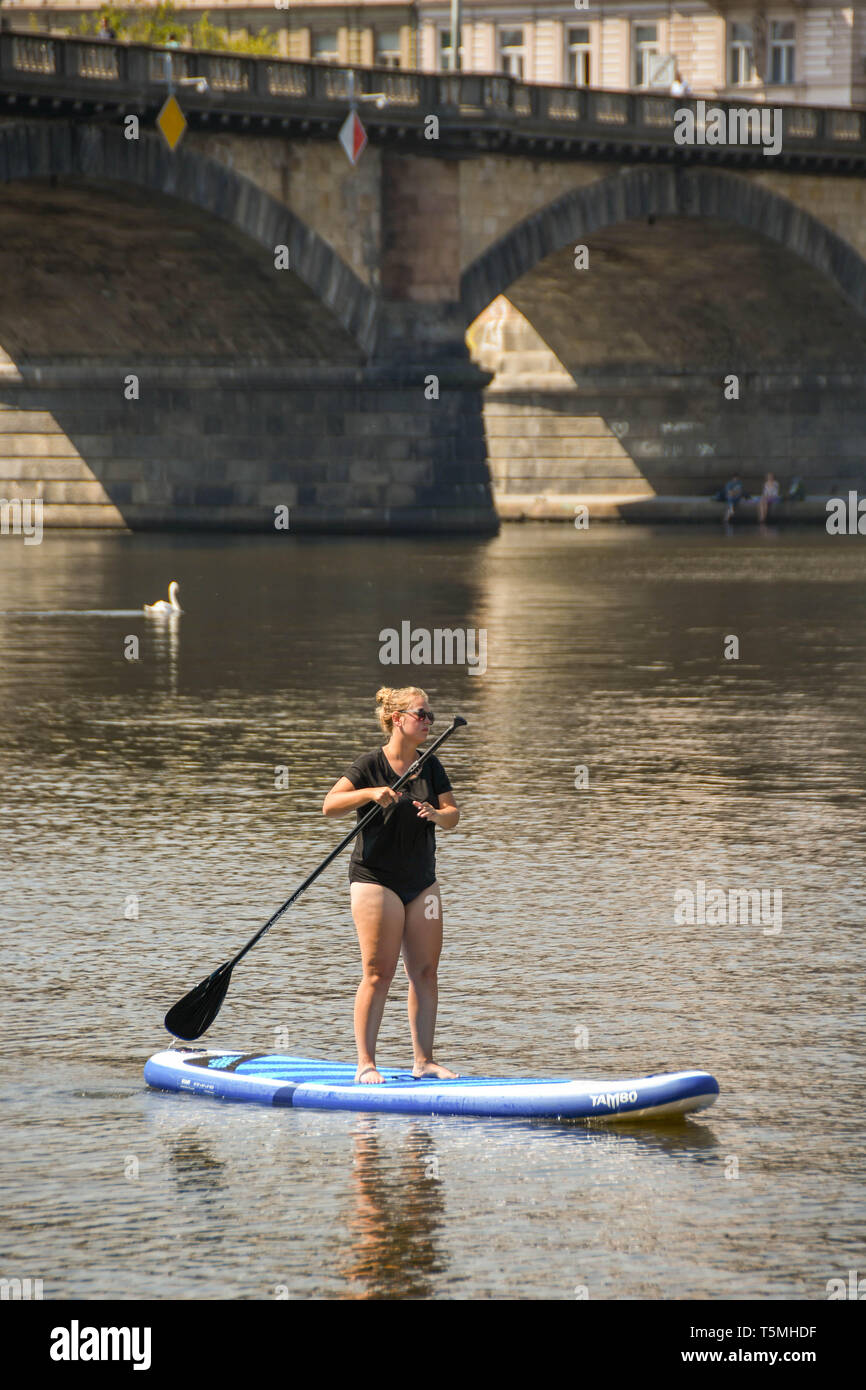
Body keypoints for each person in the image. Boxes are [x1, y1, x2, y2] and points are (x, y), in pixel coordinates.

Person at [322, 687, 460, 1085]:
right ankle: (366, 1063)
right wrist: (370, 794)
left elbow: (453, 816)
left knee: (425, 971)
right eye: (422, 714)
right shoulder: (369, 764)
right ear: (398, 718)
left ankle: (424, 1061)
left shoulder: (430, 766)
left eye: (431, 715)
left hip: (422, 882)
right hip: (375, 880)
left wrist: (436, 813)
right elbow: (329, 805)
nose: (429, 721)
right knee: (378, 973)